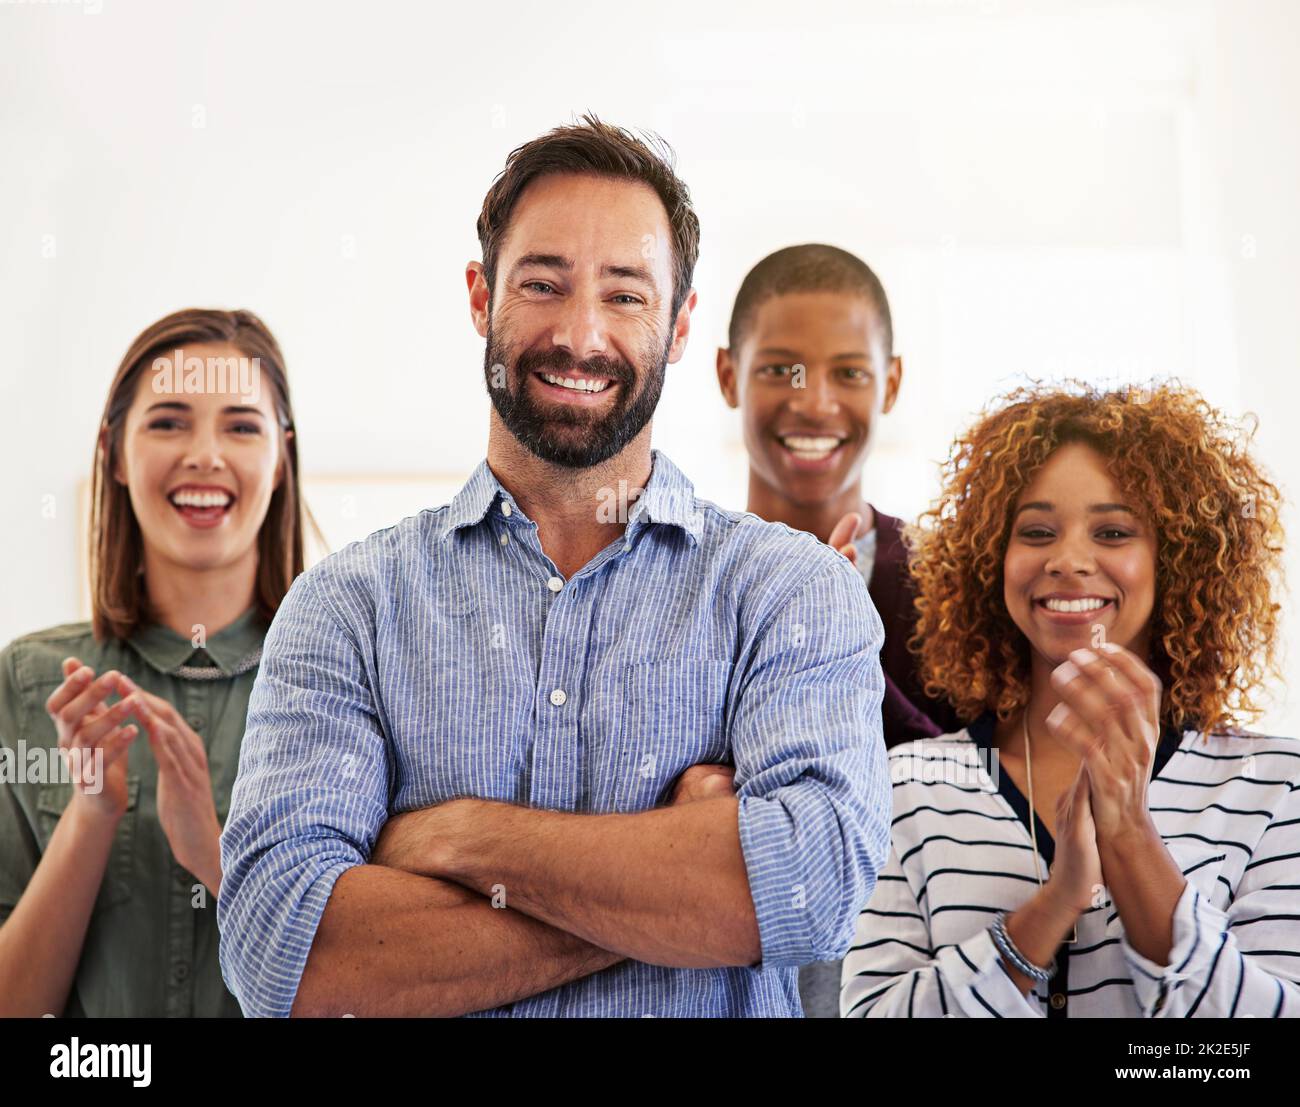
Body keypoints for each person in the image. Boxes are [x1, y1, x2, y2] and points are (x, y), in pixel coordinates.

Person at [217, 114, 892, 1018]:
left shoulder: (793, 591)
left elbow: (812, 887)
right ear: (478, 296)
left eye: (625, 294)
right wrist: (679, 872)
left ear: (682, 323)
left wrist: (459, 838)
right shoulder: (347, 607)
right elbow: (281, 951)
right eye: (543, 283)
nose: (581, 335)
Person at [841, 381, 1299, 1018]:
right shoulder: (907, 786)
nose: (1069, 559)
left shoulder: (1275, 787)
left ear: (1178, 561)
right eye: (1036, 532)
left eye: (1113, 532)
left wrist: (1129, 834)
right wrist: (1054, 905)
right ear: (992, 561)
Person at [0, 308, 315, 1016]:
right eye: (169, 421)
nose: (204, 453)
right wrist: (92, 811)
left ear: (280, 457)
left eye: (241, 425)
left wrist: (217, 859)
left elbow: (372, 986)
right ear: (113, 451)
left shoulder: (349, 683)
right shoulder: (26, 682)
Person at [716, 244, 959, 1017]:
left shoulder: (952, 587)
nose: (815, 402)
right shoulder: (674, 579)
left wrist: (832, 631)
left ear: (890, 382)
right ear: (727, 374)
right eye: (781, 369)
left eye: (850, 372)